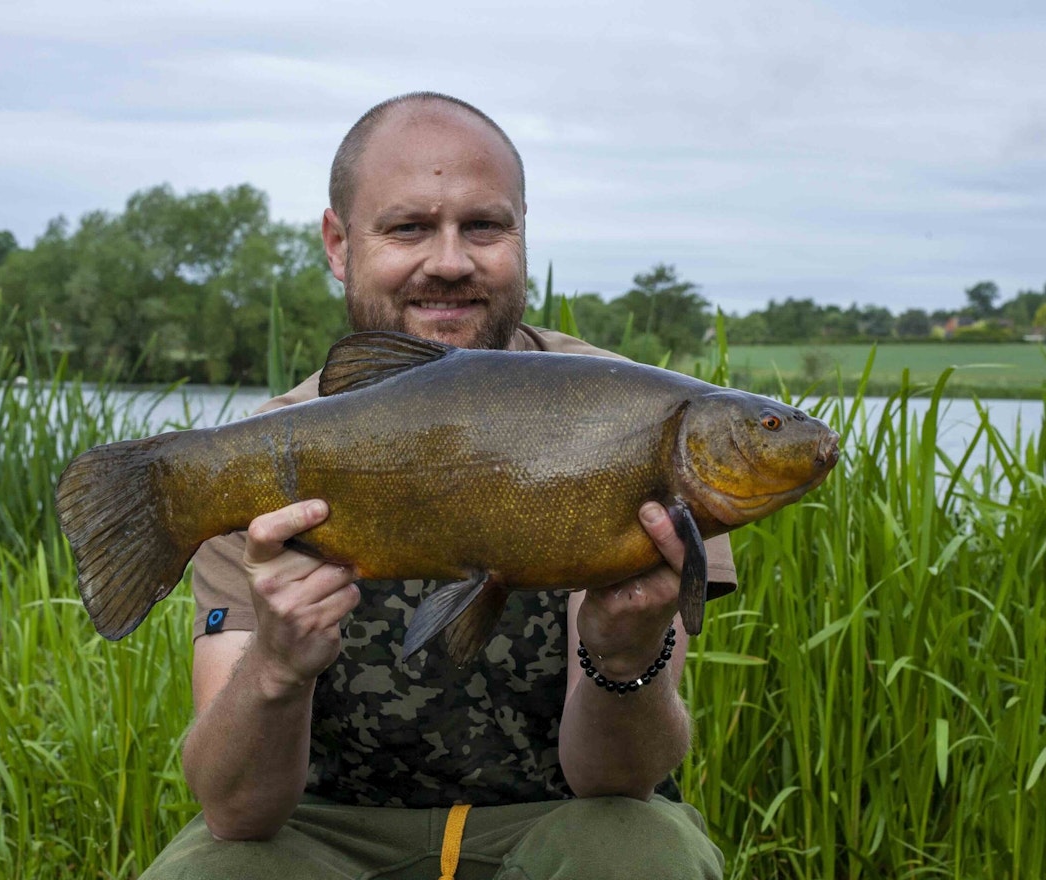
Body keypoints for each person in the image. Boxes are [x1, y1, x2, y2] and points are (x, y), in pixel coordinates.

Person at [140, 92, 737, 880]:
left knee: (642, 851)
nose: (450, 261)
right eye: (409, 228)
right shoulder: (257, 460)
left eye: (483, 226)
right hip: (323, 829)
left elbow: (616, 781)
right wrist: (276, 668)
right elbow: (236, 812)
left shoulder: (640, 420)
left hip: (560, 817)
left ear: (523, 234)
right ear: (338, 243)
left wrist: (622, 655)